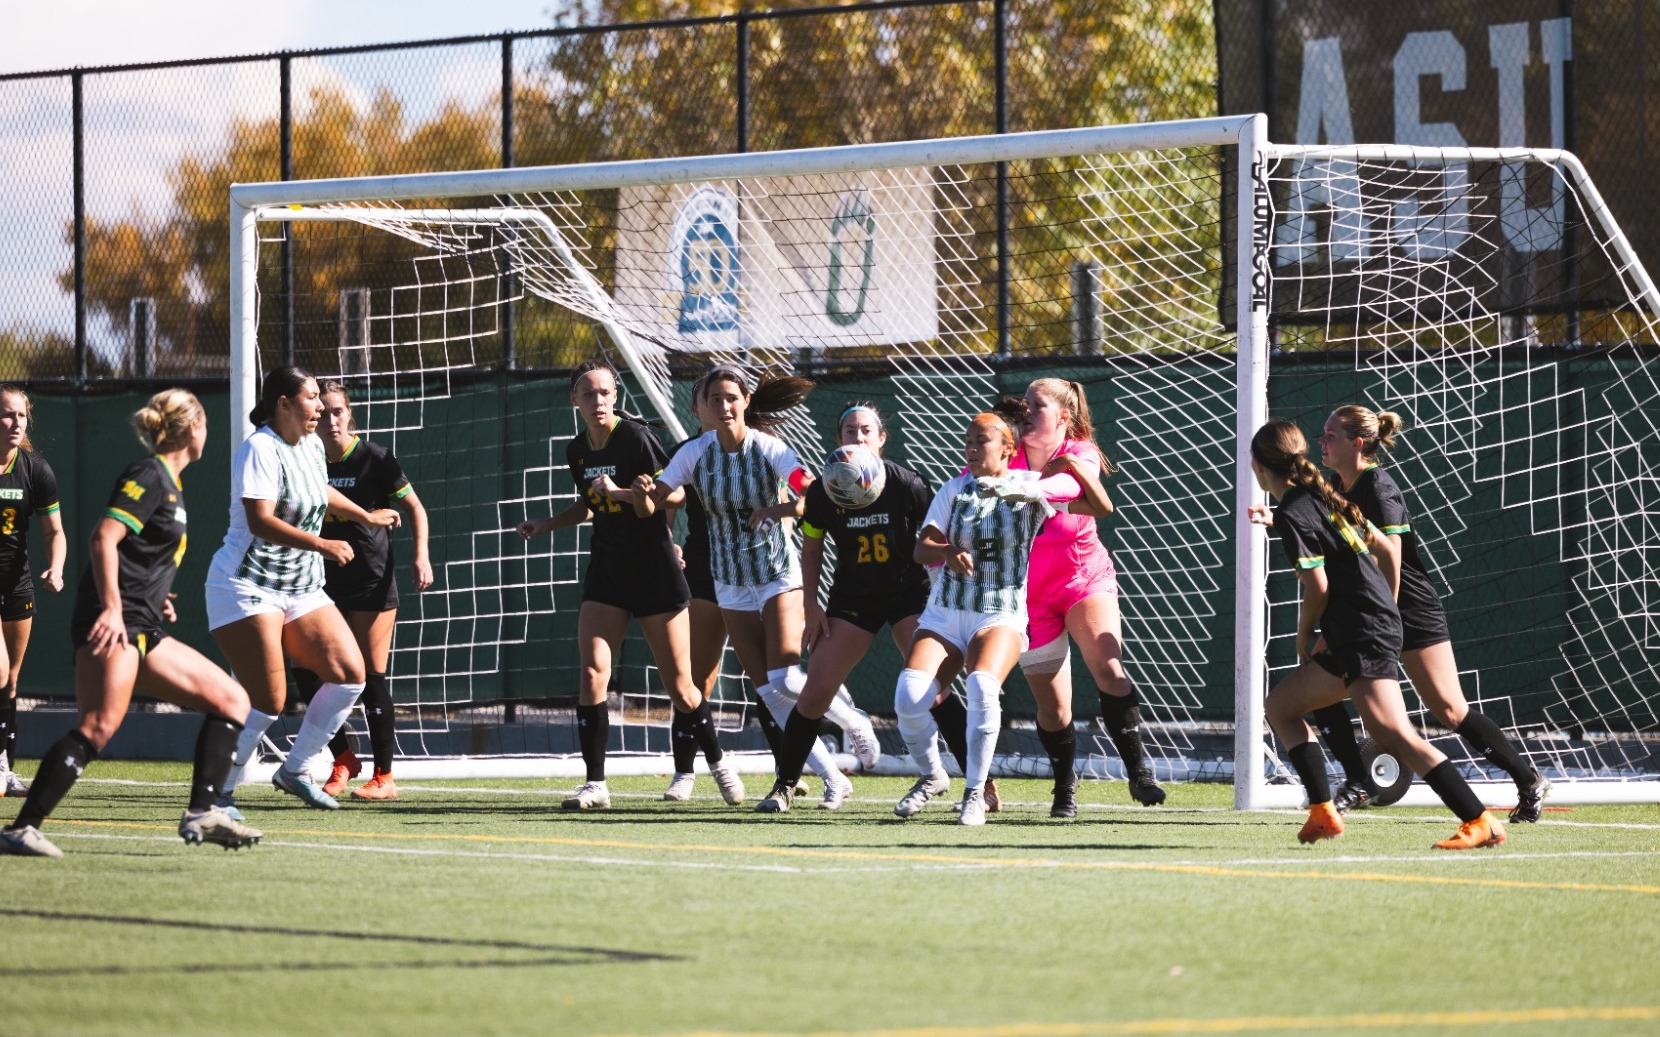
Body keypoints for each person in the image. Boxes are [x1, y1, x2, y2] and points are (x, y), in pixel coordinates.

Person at [0, 390, 261, 857]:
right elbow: (104, 537)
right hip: (114, 624)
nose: (206, 431)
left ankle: (202, 811)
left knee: (231, 700)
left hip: (142, 624)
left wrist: (157, 598)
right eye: (204, 422)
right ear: (192, 428)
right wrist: (113, 608)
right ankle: (23, 828)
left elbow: (137, 558)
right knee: (98, 727)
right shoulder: (150, 474)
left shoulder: (173, 484)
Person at [1246, 418, 1506, 849]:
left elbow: (1319, 586)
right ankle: (1323, 812)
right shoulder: (1319, 496)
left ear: (1258, 465)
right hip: (1362, 628)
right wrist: (1383, 604)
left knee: (1394, 733)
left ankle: (1479, 820)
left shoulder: (1297, 509)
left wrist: (1303, 633)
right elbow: (1384, 550)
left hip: (1363, 632)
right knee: (1281, 707)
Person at [648, 365, 877, 810]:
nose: (724, 406)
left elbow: (809, 495)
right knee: (770, 693)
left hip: (776, 574)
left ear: (746, 402)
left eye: (731, 398)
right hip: (729, 581)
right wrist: (633, 494)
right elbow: (657, 496)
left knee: (785, 677)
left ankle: (853, 721)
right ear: (702, 407)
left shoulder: (769, 448)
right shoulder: (693, 453)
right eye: (715, 399)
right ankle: (833, 779)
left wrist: (780, 509)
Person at [518, 359, 743, 810]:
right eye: (588, 393)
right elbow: (589, 505)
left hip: (654, 570)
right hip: (608, 570)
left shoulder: (636, 438)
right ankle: (595, 784)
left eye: (605, 392)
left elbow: (673, 494)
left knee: (682, 688)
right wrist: (548, 524)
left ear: (616, 396)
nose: (597, 400)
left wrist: (635, 494)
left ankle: (719, 763)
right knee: (591, 674)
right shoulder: (577, 451)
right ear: (575, 400)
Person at [1310, 404, 1551, 822]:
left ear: (1358, 443)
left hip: (1407, 608)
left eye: (1331, 435)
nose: (1322, 441)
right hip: (1366, 609)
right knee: (1313, 683)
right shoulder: (1335, 485)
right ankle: (1358, 779)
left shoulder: (1379, 488)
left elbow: (1391, 558)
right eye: (1323, 434)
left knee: (1449, 710)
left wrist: (1380, 617)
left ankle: (1529, 781)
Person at [838, 411, 1075, 825]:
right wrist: (947, 552)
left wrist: (1072, 469)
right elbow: (921, 549)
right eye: (968, 441)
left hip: (998, 612)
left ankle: (975, 793)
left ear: (1008, 448)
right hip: (946, 612)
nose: (971, 448)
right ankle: (933, 775)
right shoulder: (954, 488)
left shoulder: (1029, 486)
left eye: (981, 440)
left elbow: (1095, 503)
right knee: (908, 697)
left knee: (982, 686)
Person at [751, 402, 969, 816]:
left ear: (882, 438)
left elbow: (937, 541)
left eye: (866, 430)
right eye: (850, 430)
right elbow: (812, 547)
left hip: (908, 593)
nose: (858, 437)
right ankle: (784, 785)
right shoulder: (823, 490)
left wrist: (947, 600)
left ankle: (982, 785)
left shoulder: (906, 483)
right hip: (852, 597)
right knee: (815, 692)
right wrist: (811, 604)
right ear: (838, 439)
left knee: (933, 688)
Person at [210, 366, 400, 812]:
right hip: (247, 585)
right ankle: (216, 792)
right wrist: (322, 544)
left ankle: (295, 770)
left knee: (351, 674)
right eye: (312, 398)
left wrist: (365, 516)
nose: (320, 407)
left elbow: (321, 490)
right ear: (284, 404)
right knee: (268, 700)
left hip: (301, 588)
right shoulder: (259, 448)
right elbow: (260, 520)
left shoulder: (312, 445)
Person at [1008, 379, 1163, 818]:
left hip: (1083, 579)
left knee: (1110, 670)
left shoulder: (1081, 453)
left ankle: (1138, 770)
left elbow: (1070, 489)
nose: (1025, 411)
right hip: (1028, 594)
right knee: (1054, 708)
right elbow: (976, 480)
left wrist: (1028, 488)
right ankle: (1064, 786)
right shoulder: (1008, 454)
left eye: (1036, 405)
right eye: (1024, 403)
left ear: (1064, 417)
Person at [289, 381, 433, 803]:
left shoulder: (375, 458)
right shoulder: (306, 458)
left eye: (338, 411)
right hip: (321, 582)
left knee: (370, 676)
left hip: (372, 580)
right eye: (323, 412)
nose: (331, 420)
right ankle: (343, 758)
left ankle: (384, 776)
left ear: (349, 414)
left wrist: (421, 556)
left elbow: (415, 507)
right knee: (306, 667)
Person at [0, 385, 66, 797]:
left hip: (16, 584)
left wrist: (56, 566)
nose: (15, 422)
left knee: (10, 683)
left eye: (21, 415)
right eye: (7, 414)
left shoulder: (35, 470)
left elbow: (54, 531)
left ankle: (6, 770)